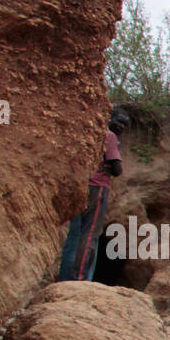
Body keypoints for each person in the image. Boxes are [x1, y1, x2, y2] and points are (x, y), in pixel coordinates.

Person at [58, 109, 130, 282]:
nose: (120, 126)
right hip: (97, 188)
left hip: (81, 186)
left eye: (124, 125)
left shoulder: (89, 133)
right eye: (118, 121)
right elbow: (117, 169)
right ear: (109, 118)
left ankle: (65, 278)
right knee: (89, 235)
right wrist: (108, 168)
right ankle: (80, 279)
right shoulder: (110, 136)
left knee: (74, 235)